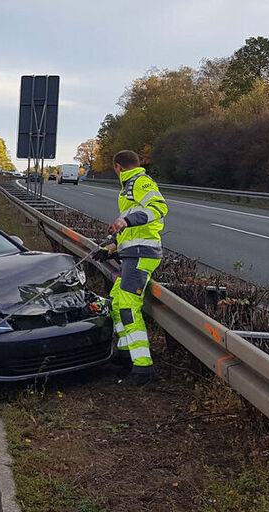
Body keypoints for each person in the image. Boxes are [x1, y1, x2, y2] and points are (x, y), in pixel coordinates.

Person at [93, 150, 169, 386]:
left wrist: (127, 220)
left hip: (142, 254)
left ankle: (143, 368)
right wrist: (111, 247)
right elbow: (132, 230)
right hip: (131, 252)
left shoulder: (140, 182)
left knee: (128, 305)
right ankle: (126, 355)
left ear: (118, 167)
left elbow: (159, 207)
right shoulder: (128, 188)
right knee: (117, 300)